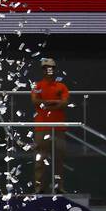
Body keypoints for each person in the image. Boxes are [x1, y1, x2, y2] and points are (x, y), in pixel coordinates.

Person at [30, 57, 70, 194]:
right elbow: (35, 101)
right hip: (42, 127)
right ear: (43, 70)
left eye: (51, 67)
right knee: (40, 160)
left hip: (58, 128)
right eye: (46, 67)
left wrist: (46, 103)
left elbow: (64, 103)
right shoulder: (38, 86)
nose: (49, 70)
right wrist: (54, 102)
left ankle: (59, 186)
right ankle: (39, 188)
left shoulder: (61, 86)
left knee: (59, 161)